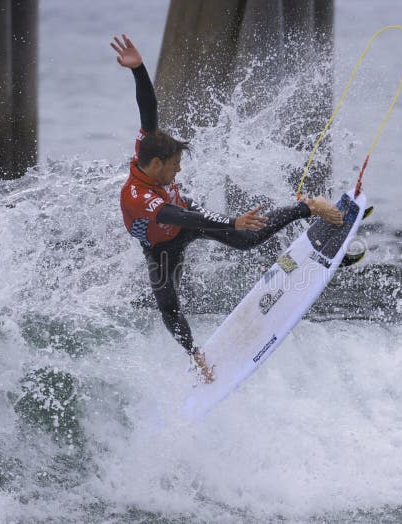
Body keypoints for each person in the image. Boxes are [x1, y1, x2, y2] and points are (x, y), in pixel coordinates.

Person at [111, 35, 343, 383]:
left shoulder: (148, 147)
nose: (178, 171)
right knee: (167, 304)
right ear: (156, 164)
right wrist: (231, 220)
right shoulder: (136, 195)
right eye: (174, 165)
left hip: (184, 218)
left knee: (247, 238)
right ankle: (196, 356)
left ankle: (307, 207)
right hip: (161, 243)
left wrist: (139, 70)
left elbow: (149, 109)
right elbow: (175, 216)